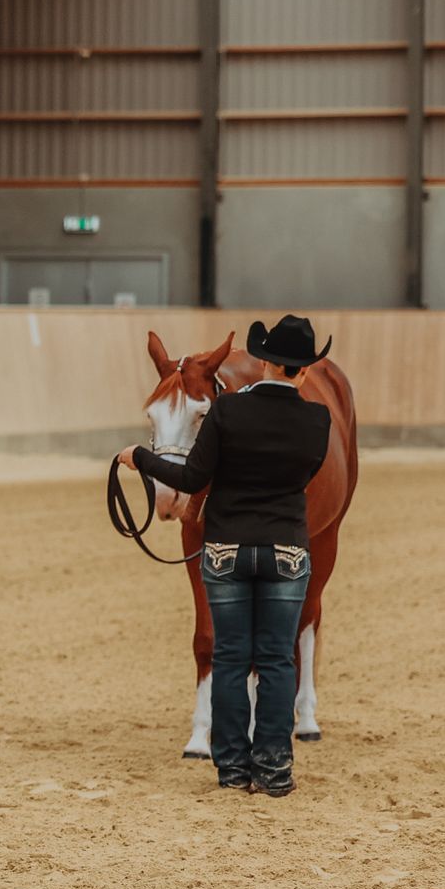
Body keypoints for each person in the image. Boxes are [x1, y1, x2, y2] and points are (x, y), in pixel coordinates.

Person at [119, 314, 333, 796]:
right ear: (303, 371)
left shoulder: (227, 413)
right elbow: (304, 476)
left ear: (263, 362)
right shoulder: (318, 421)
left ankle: (233, 769)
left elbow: (193, 479)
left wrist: (140, 457)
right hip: (285, 551)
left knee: (232, 658)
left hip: (227, 549)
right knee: (278, 660)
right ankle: (274, 770)